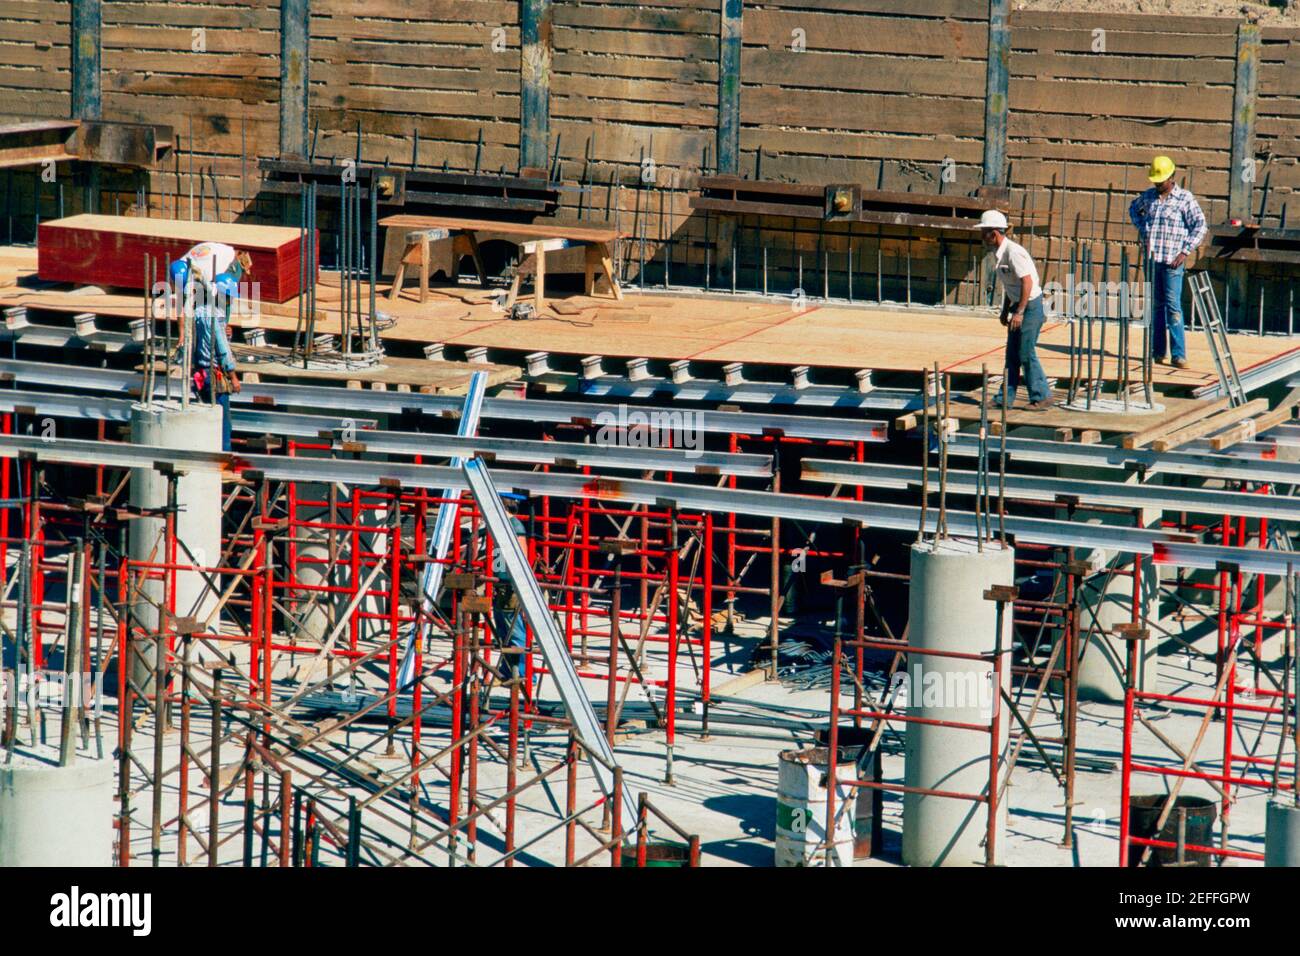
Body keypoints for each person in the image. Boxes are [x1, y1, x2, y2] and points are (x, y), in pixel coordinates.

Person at [1128, 155, 1207, 369]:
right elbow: (1133, 209)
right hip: (1153, 260)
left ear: (1172, 177)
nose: (1157, 184)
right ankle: (1158, 352)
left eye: (1160, 181)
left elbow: (1200, 225)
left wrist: (1185, 251)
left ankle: (1178, 355)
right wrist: (1142, 227)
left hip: (1173, 262)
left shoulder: (1184, 199)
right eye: (1155, 180)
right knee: (1157, 306)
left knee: (1173, 306)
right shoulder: (1149, 197)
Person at [981, 210, 1052, 411]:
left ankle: (1042, 396)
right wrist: (1006, 310)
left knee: (1025, 352)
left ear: (994, 234)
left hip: (1030, 307)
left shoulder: (1013, 252)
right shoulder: (999, 254)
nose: (982, 237)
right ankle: (1004, 398)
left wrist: (1019, 312)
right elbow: (1011, 286)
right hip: (1019, 306)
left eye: (984, 232)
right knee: (1012, 353)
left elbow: (1027, 283)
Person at [191, 272, 241, 451]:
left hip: (200, 373)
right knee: (223, 422)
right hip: (214, 374)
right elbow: (222, 350)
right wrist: (233, 376)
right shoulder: (216, 315)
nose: (230, 302)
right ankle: (223, 459)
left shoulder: (198, 312)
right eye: (229, 298)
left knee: (206, 419)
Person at [491, 493, 532, 683]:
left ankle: (522, 672)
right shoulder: (501, 526)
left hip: (511, 585)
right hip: (502, 583)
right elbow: (498, 557)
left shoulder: (515, 526)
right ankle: (510, 669)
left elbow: (522, 556)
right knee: (503, 628)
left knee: (513, 629)